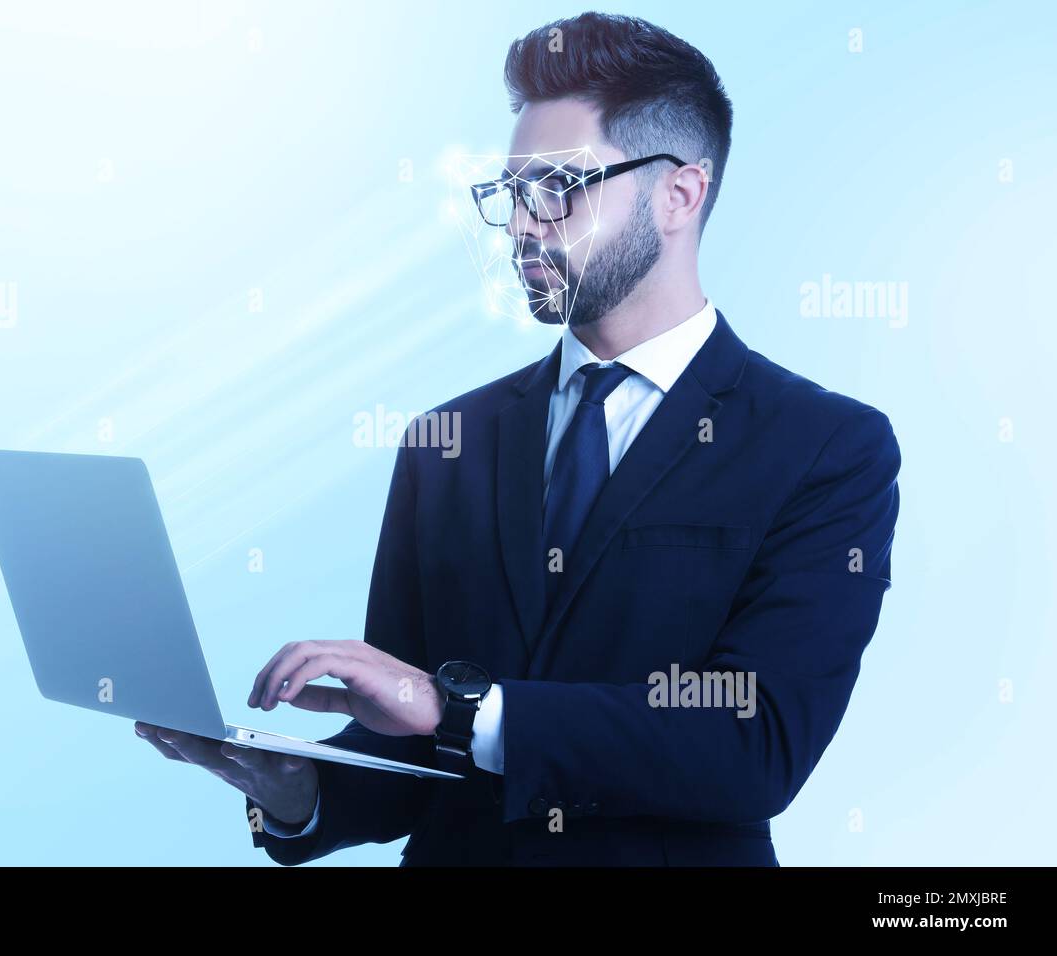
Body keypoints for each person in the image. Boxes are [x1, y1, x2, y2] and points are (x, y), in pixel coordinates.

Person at [136, 11, 900, 866]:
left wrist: (462, 708)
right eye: (511, 193)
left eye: (559, 188)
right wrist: (297, 791)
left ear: (680, 193)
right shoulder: (447, 441)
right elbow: (413, 747)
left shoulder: (826, 447)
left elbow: (756, 745)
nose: (526, 227)